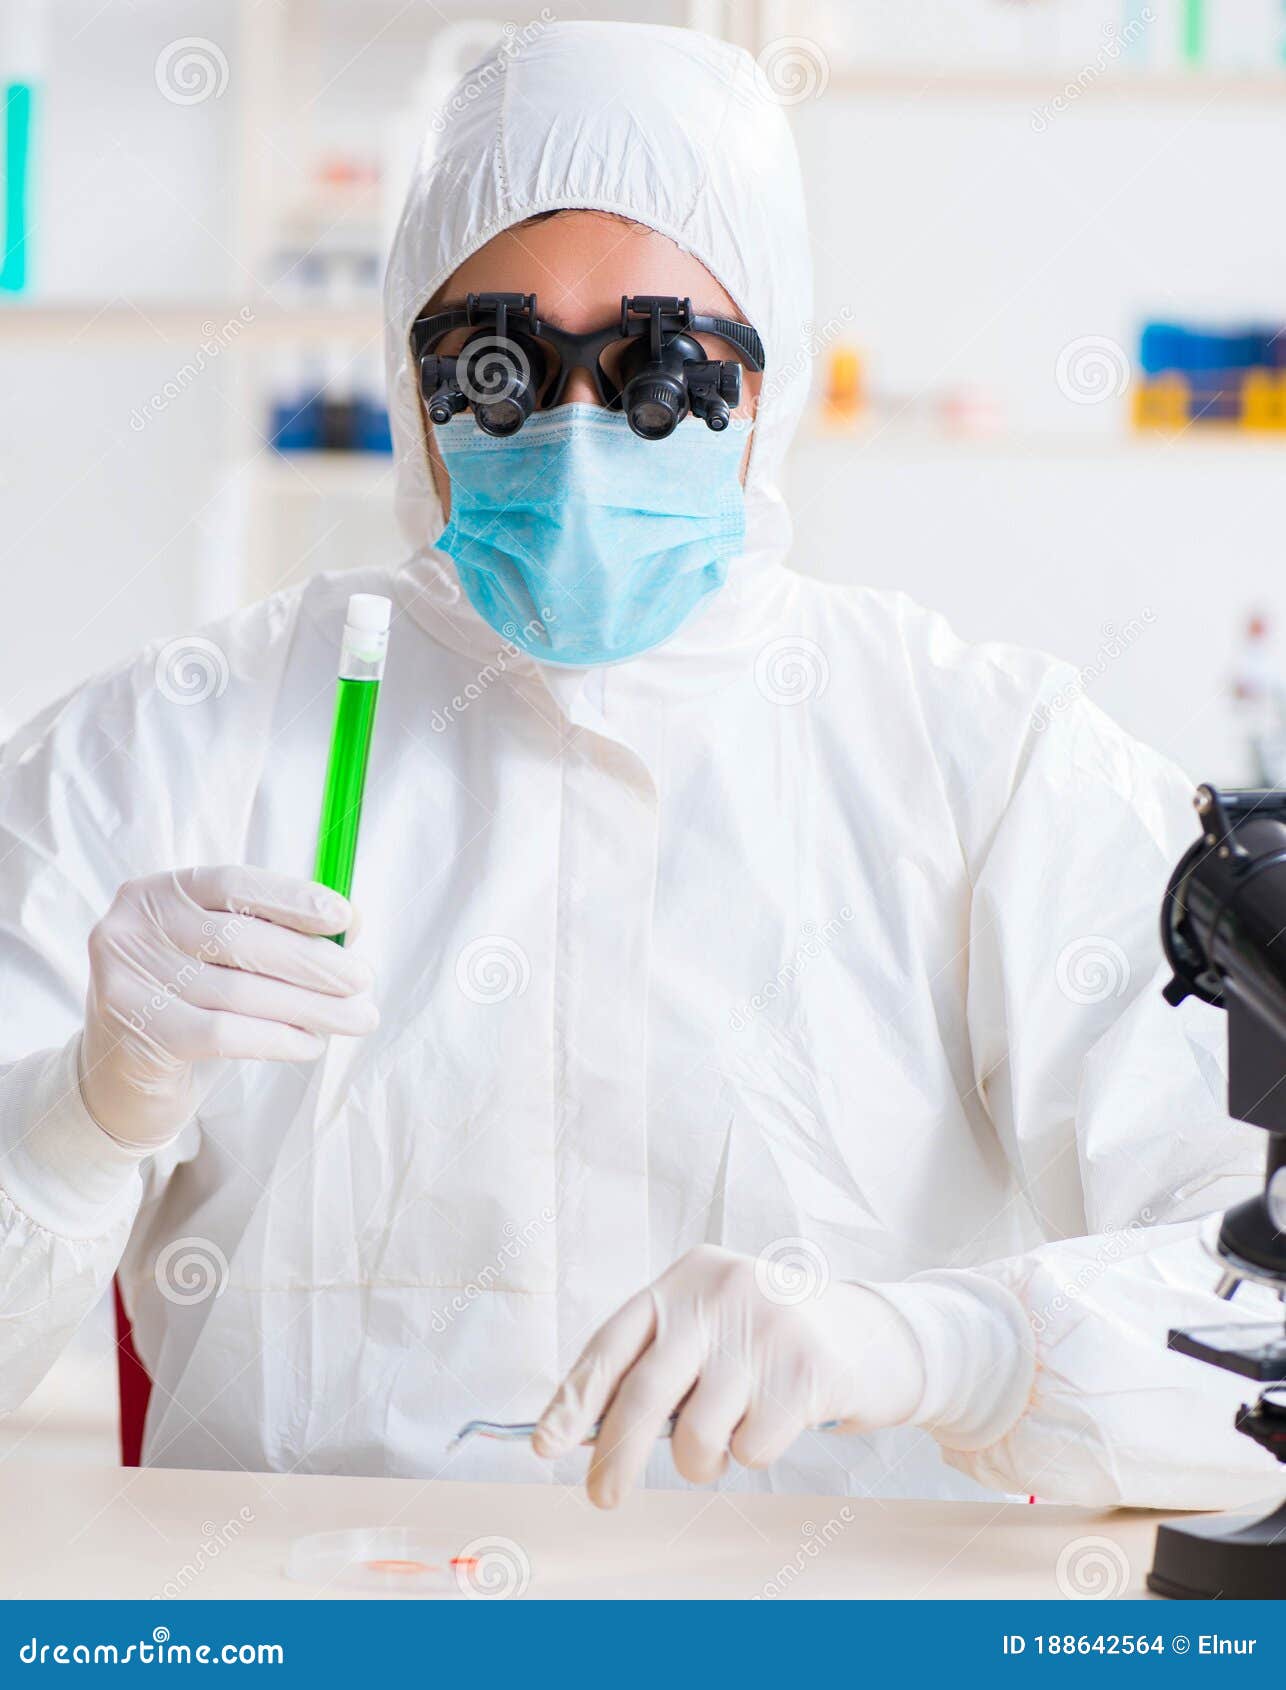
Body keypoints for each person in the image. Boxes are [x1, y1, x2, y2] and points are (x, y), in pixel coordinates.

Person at [0, 21, 1277, 1512]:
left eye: (668, 366)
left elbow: (1256, 1298)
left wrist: (950, 1347)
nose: (580, 435)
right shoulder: (159, 747)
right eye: (499, 364)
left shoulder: (985, 761)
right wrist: (80, 1119)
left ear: (772, 370)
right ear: (410, 379)